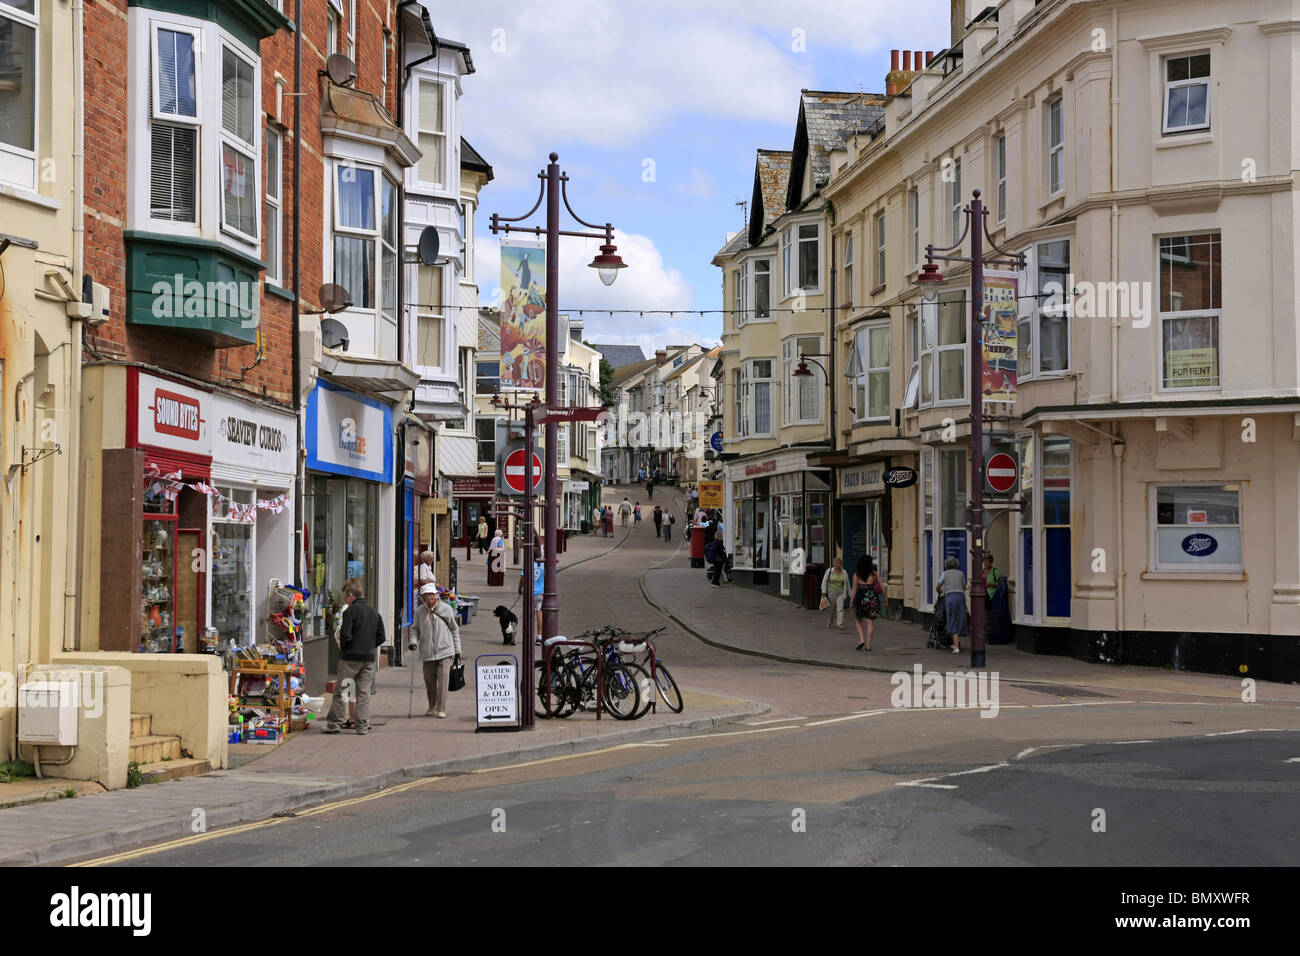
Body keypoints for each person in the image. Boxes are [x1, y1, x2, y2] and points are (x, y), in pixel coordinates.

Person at [324, 581, 384, 734]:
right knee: (363, 693)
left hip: (350, 658)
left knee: (341, 691)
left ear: (351, 596)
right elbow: (381, 637)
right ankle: (362, 726)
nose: (345, 600)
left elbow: (345, 634)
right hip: (368, 658)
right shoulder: (374, 612)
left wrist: (346, 648)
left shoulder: (350, 612)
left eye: (346, 596)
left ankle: (334, 724)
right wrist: (370, 645)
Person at [407, 582, 462, 718]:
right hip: (427, 652)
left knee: (443, 681)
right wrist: (413, 641)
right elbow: (415, 629)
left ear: (437, 596)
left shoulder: (446, 609)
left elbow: (454, 629)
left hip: (445, 650)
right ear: (423, 597)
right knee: (429, 681)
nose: (430, 598)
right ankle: (431, 706)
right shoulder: (420, 611)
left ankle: (441, 708)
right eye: (427, 595)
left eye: (432, 595)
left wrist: (457, 650)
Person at [851, 555, 884, 651]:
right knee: (870, 622)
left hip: (860, 598)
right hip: (872, 598)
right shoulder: (874, 574)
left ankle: (861, 640)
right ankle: (868, 645)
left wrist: (851, 602)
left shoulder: (856, 574)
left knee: (858, 620)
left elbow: (853, 590)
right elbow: (881, 586)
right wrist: (885, 597)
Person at [936, 556, 968, 654]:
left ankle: (956, 646)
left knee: (952, 618)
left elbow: (937, 587)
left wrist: (941, 591)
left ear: (946, 565)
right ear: (956, 565)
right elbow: (964, 587)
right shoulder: (961, 573)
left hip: (950, 597)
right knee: (960, 617)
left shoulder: (944, 574)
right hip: (960, 597)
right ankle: (956, 640)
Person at [518, 555, 545, 636]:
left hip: (529, 594)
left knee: (529, 615)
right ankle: (539, 636)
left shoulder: (528, 565)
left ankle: (529, 634)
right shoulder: (544, 565)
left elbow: (522, 578)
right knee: (539, 614)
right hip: (540, 593)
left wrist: (519, 589)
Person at [820, 556, 848, 629]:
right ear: (833, 564)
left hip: (841, 592)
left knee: (840, 608)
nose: (837, 565)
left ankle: (840, 624)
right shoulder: (829, 571)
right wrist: (823, 591)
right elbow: (824, 581)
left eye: (839, 564)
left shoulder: (844, 572)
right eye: (836, 563)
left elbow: (847, 584)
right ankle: (829, 623)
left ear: (841, 564)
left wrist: (850, 593)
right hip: (831, 591)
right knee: (831, 609)